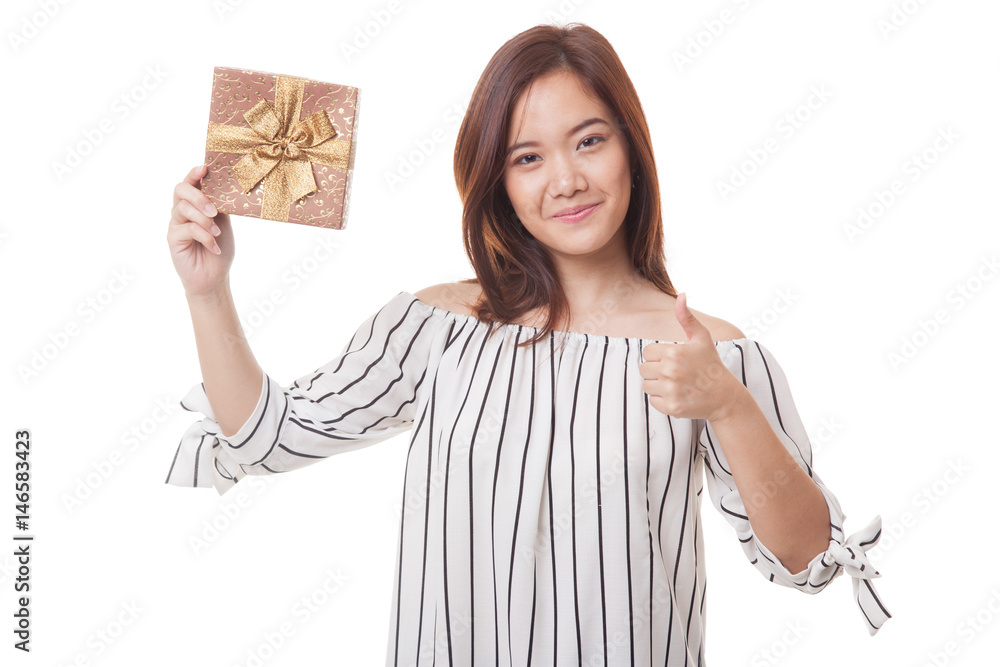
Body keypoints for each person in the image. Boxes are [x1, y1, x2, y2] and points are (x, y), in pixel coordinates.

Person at [165, 22, 890, 666]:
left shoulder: (713, 355)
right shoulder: (435, 327)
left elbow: (807, 557)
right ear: (497, 182)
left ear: (631, 149)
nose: (567, 180)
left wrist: (729, 407)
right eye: (527, 157)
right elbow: (263, 436)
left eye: (589, 140)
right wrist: (208, 288)